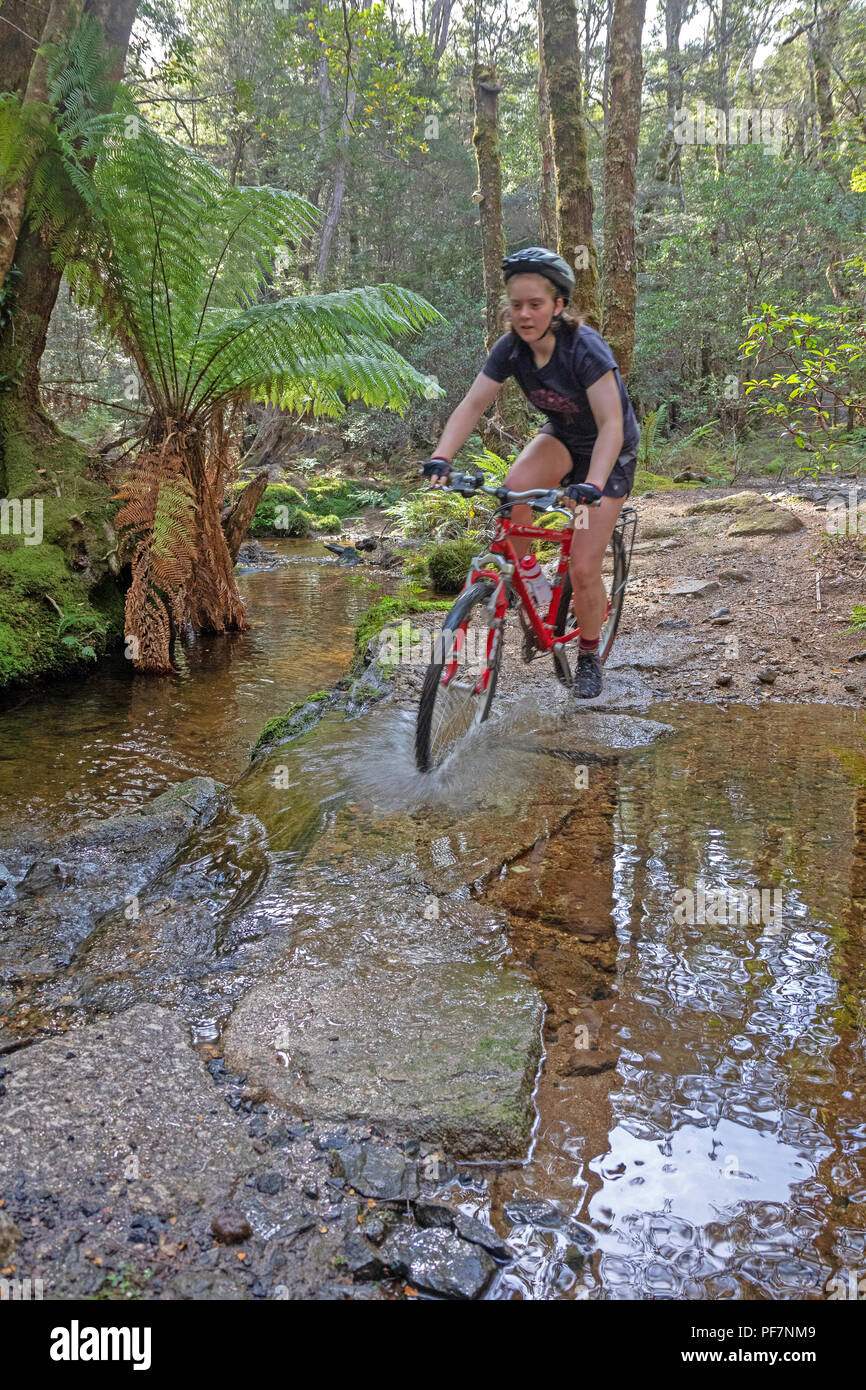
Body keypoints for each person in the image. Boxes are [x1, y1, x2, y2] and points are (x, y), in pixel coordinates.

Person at [423, 246, 640, 698]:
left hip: (607, 453)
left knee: (582, 568)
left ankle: (587, 654)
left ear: (558, 305)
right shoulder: (510, 350)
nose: (524, 315)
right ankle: (530, 581)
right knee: (513, 493)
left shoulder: (585, 349)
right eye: (516, 305)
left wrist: (593, 486)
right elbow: (472, 404)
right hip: (562, 438)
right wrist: (442, 456)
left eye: (535, 305)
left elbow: (612, 426)